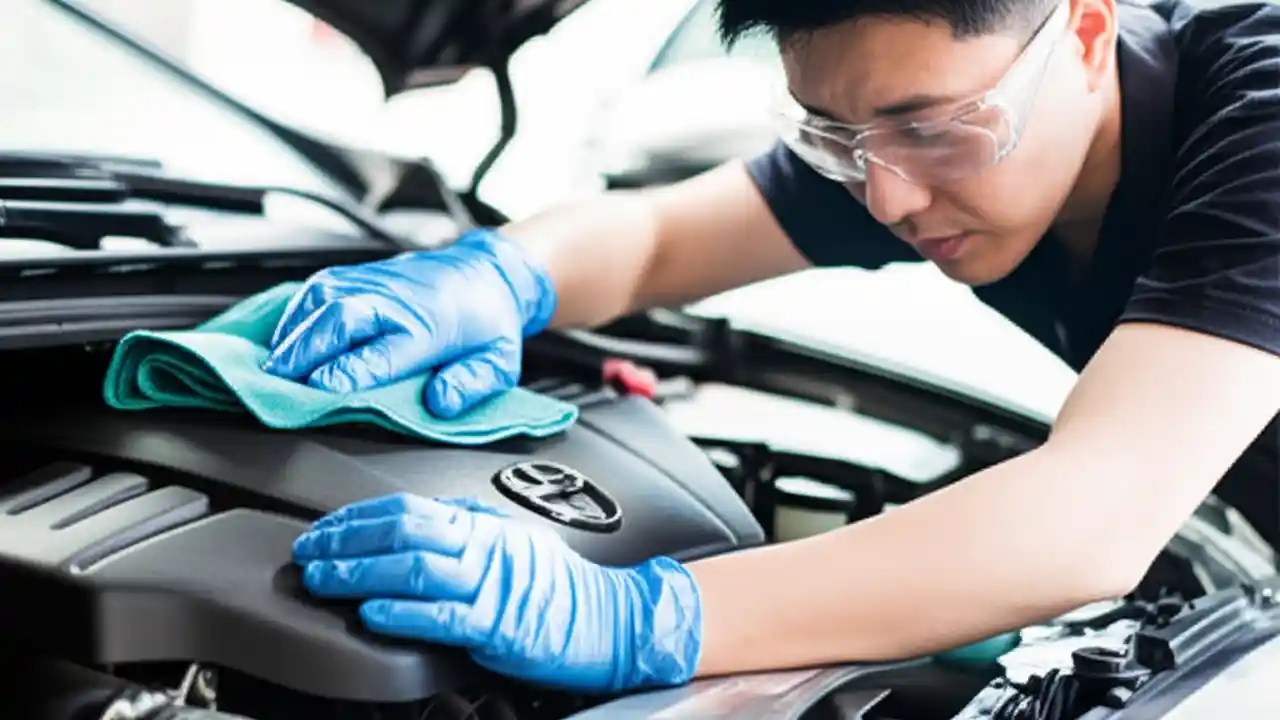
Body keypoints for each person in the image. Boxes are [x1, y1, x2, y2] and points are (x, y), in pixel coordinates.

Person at [263, 0, 1280, 696]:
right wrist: (490, 277)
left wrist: (638, 617)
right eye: (830, 136)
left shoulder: (1261, 115)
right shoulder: (940, 140)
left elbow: (1087, 520)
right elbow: (657, 236)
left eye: (926, 130)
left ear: (1087, 29)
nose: (885, 200)